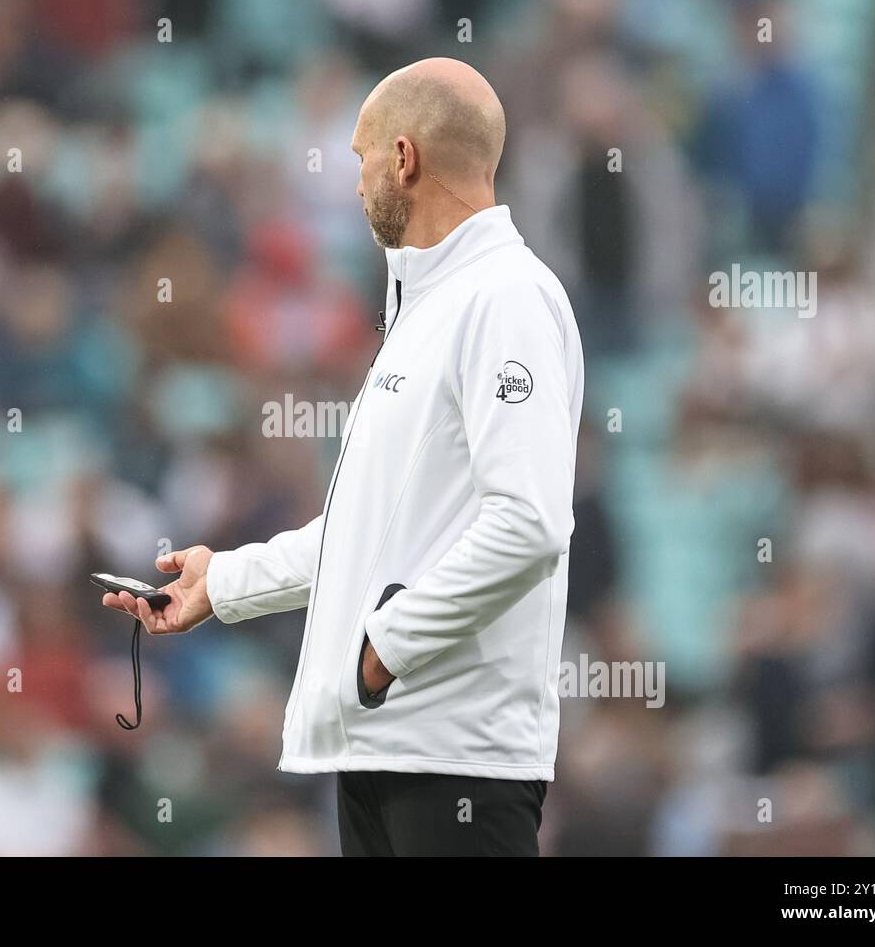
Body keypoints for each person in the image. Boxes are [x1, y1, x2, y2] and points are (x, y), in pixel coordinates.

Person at [104, 58, 584, 856]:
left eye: (360, 155)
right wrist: (221, 583)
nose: (355, 182)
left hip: (453, 756)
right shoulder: (428, 305)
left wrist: (386, 648)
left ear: (405, 158)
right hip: (385, 748)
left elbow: (530, 524)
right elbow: (365, 535)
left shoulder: (506, 298)